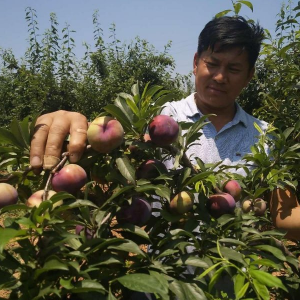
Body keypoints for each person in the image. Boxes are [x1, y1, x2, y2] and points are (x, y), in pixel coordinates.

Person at [30, 16, 300, 240]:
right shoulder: (158, 119)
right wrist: (67, 120)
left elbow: (285, 214)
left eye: (234, 68)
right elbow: (107, 144)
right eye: (212, 63)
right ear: (196, 63)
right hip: (161, 273)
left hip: (233, 277)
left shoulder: (264, 137)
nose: (220, 76)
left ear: (250, 75)